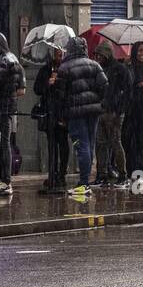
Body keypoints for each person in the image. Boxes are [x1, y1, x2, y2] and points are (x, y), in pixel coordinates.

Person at [54, 36, 108, 194]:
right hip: (93, 112)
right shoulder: (95, 65)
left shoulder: (65, 68)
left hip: (75, 112)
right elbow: (105, 87)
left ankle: (84, 183)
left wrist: (61, 115)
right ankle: (85, 182)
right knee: (90, 145)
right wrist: (98, 102)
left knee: (81, 145)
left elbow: (60, 95)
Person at [0, 31, 26, 196]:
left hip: (1, 109)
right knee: (5, 144)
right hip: (9, 108)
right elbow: (21, 90)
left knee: (1, 145)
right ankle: (4, 181)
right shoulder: (14, 59)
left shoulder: (3, 61)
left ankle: (3, 182)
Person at [93, 41, 130, 187]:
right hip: (101, 111)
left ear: (107, 54)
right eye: (96, 55)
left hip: (114, 113)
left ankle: (122, 174)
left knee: (115, 142)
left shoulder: (120, 69)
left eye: (100, 54)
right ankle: (102, 175)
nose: (97, 57)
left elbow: (127, 92)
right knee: (101, 144)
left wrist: (119, 110)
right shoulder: (99, 68)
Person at [34, 47, 69, 195]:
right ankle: (52, 173)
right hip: (49, 112)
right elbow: (37, 89)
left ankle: (62, 174)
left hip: (62, 111)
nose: (59, 56)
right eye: (57, 53)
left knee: (63, 144)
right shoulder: (45, 69)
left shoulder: (67, 69)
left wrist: (59, 83)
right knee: (51, 144)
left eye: (62, 53)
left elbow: (70, 90)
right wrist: (48, 84)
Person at [122, 40, 143, 186]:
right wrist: (126, 67)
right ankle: (131, 172)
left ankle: (142, 173)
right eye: (140, 51)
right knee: (130, 141)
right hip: (132, 110)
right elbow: (124, 84)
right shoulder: (129, 67)